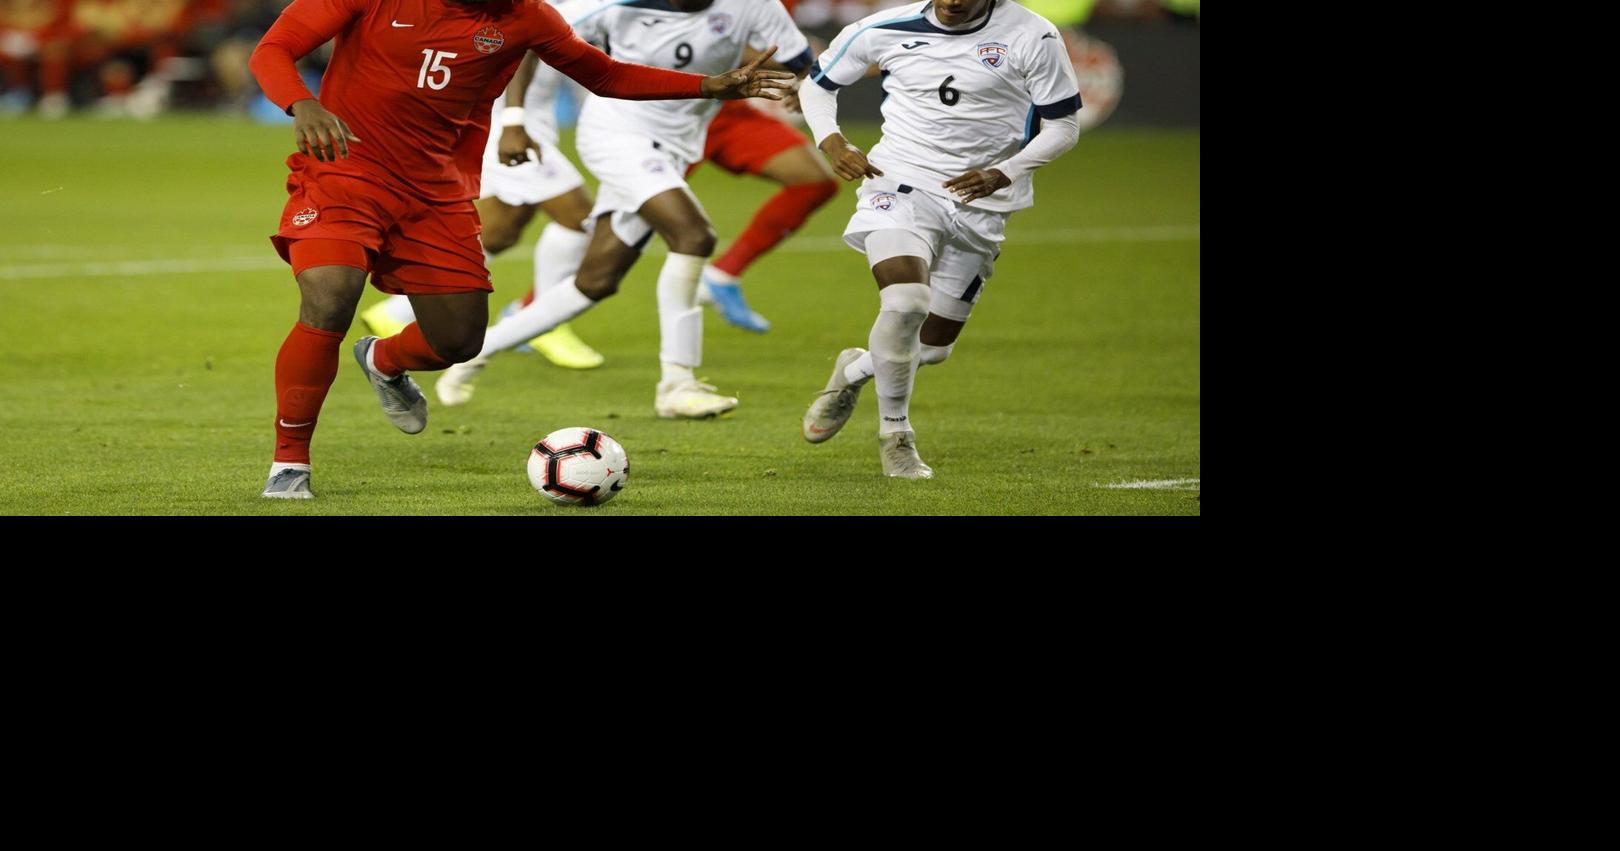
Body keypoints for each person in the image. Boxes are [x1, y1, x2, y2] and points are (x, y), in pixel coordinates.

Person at [250, 0, 793, 499]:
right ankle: (289, 461)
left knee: (459, 341)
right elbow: (273, 48)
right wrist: (302, 104)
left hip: (435, 193)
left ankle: (383, 358)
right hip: (344, 172)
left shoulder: (526, 16)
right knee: (330, 297)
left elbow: (603, 74)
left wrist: (709, 85)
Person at [432, 0, 813, 419]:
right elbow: (529, 39)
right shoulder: (607, 3)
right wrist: (514, 120)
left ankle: (477, 353)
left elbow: (801, 63)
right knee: (693, 235)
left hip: (677, 145)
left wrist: (803, 92)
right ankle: (677, 383)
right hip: (617, 133)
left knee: (596, 281)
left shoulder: (754, 6)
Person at [796, 0, 1081, 478]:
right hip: (899, 182)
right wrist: (832, 141)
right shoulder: (882, 27)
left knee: (932, 347)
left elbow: (1063, 126)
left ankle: (852, 371)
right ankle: (896, 436)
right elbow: (817, 84)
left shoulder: (1034, 36)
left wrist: (1005, 172)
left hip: (981, 201)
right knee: (906, 303)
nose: (952, 1)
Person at [358, 47, 607, 370]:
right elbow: (526, 50)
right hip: (509, 131)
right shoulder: (532, 11)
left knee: (502, 230)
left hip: (525, 129)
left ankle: (396, 311)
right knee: (581, 218)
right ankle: (546, 324)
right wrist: (514, 120)